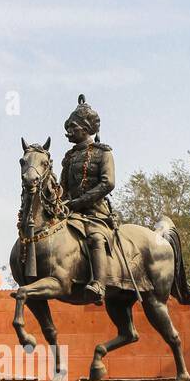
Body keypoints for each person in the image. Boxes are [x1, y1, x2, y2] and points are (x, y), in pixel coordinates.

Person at [59, 94, 116, 304]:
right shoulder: (69, 157)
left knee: (94, 237)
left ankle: (99, 284)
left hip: (95, 213)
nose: (69, 132)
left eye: (73, 127)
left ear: (85, 128)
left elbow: (108, 183)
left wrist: (81, 202)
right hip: (70, 212)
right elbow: (62, 188)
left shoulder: (103, 153)